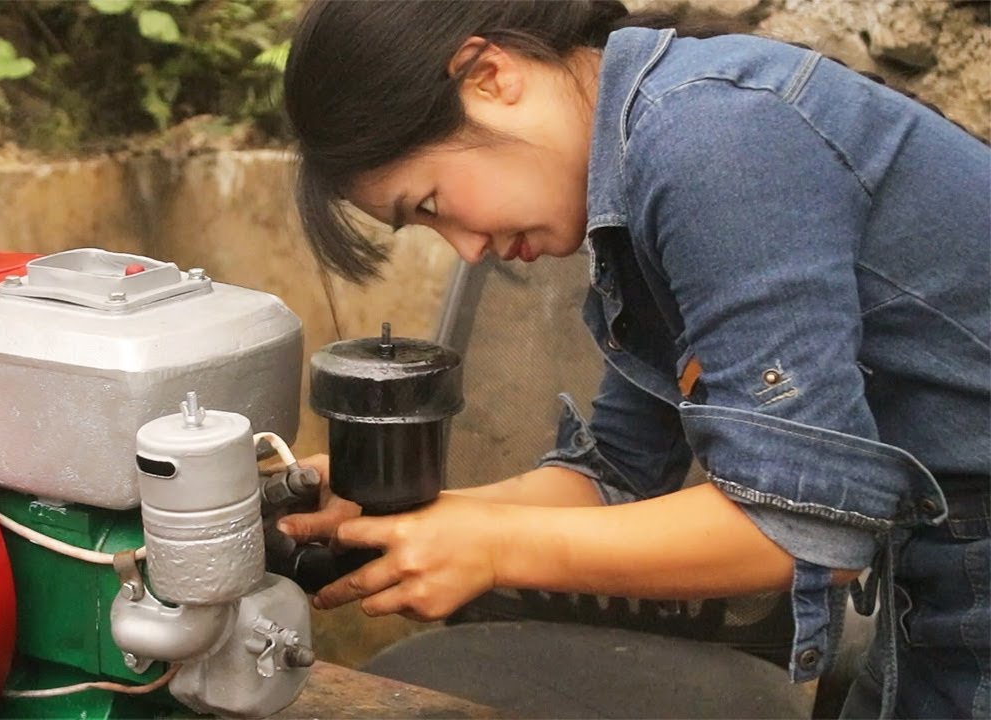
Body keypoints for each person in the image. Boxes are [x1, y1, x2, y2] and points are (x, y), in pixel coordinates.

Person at [275, 2, 990, 719]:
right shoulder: (640, 163)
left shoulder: (711, 139)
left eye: (430, 203)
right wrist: (403, 518)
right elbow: (619, 475)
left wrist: (492, 549)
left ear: (490, 76)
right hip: (934, 595)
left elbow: (804, 527)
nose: (465, 249)